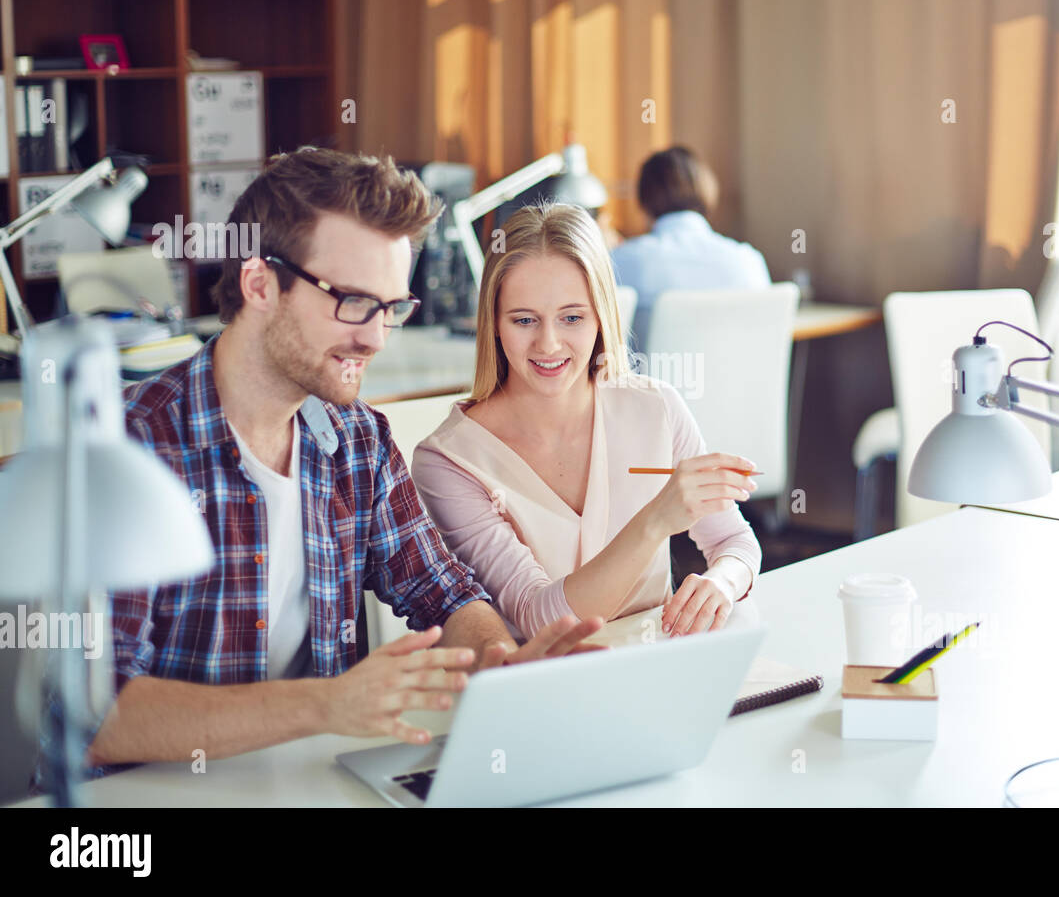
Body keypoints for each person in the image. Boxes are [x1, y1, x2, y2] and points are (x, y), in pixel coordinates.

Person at [83, 149, 601, 775]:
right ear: (260, 284)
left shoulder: (357, 441)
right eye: (354, 301)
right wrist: (328, 705)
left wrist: (498, 658)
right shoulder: (129, 451)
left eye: (392, 308)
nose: (377, 337)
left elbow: (443, 590)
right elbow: (99, 717)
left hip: (311, 781)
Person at [411, 202, 762, 641]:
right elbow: (542, 620)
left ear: (601, 318)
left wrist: (722, 584)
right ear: (494, 325)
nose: (549, 343)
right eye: (524, 320)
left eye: (572, 317)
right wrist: (654, 521)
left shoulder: (656, 408)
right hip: (535, 692)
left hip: (651, 673)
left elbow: (735, 542)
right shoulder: (448, 461)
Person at [611, 146, 771, 349]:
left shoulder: (621, 260)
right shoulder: (749, 260)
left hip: (656, 378)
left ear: (644, 201)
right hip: (746, 381)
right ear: (707, 190)